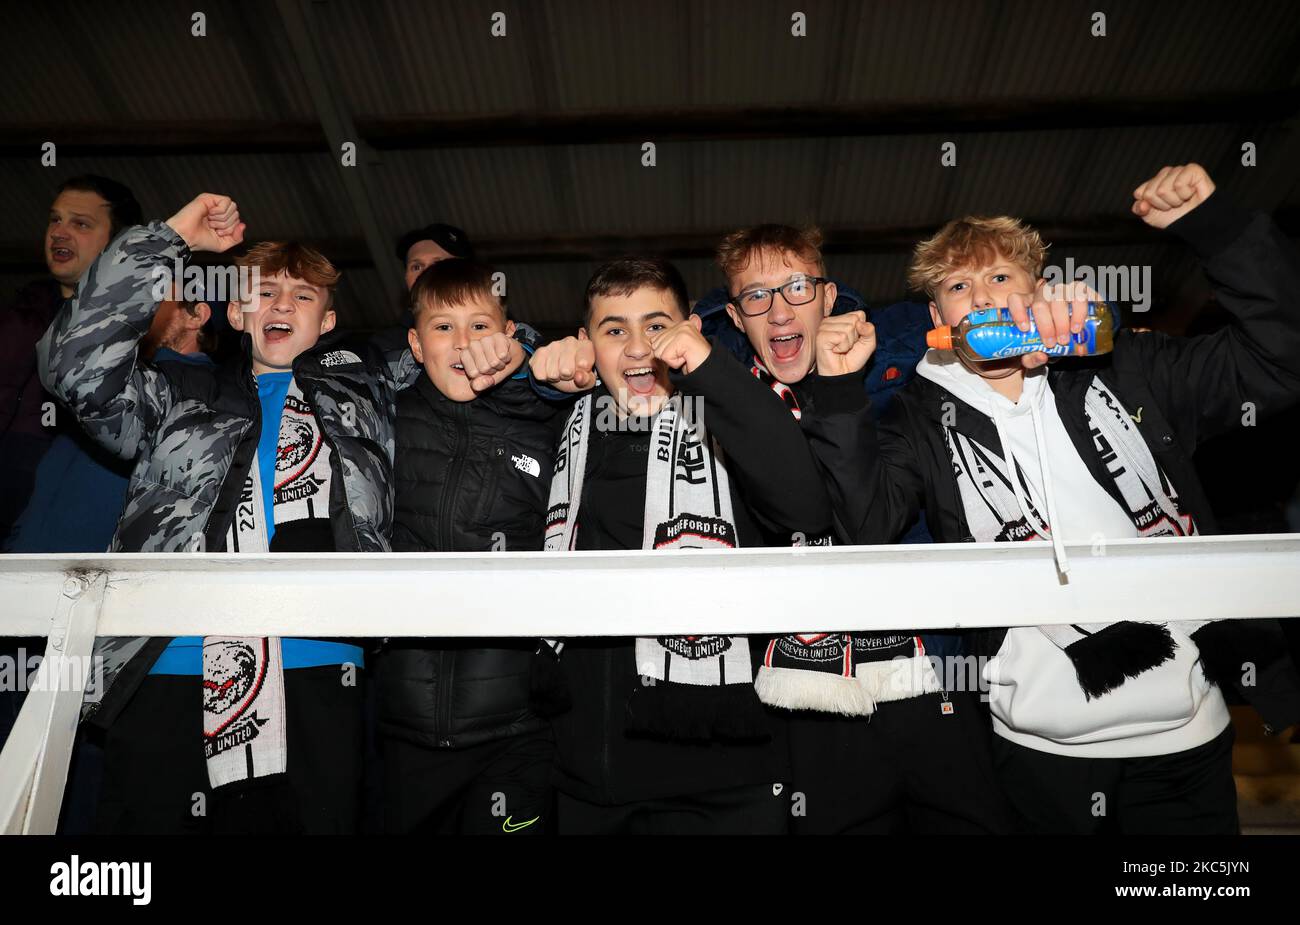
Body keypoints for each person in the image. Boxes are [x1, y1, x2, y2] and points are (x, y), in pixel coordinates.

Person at [801, 162, 1300, 834]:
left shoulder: (1132, 368)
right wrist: (836, 392)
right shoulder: (913, 419)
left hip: (1186, 745)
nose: (980, 296)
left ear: (1039, 289)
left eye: (1000, 277)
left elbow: (1278, 358)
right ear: (935, 315)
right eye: (958, 285)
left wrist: (1211, 225)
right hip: (1036, 757)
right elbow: (864, 524)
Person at [38, 192, 409, 834]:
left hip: (318, 661)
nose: (282, 305)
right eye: (265, 293)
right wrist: (167, 240)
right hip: (170, 661)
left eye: (302, 295)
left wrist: (543, 366)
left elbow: (466, 340)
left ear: (328, 321)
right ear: (237, 312)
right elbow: (73, 367)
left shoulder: (370, 389)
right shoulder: (180, 394)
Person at [704, 223, 1009, 834]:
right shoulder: (724, 398)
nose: (779, 309)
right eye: (756, 297)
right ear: (737, 319)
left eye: (796, 287)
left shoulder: (892, 359)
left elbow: (975, 312)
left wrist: (1068, 321)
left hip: (932, 675)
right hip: (807, 696)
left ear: (828, 296)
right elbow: (636, 340)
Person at [529, 256, 833, 834]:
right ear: (588, 344)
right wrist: (533, 379)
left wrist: (709, 370)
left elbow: (805, 509)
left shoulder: (729, 417)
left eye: (657, 325)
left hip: (724, 779)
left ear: (691, 330)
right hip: (591, 778)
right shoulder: (567, 428)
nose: (639, 348)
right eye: (614, 330)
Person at [376, 257, 562, 835]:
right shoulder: (378, 421)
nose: (463, 344)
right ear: (415, 342)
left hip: (518, 733)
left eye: (480, 326)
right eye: (442, 327)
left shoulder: (552, 423)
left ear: (510, 337)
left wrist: (544, 373)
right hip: (396, 730)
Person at [0, 174, 142, 544]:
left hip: (55, 539)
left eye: (80, 224)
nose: (59, 232)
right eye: (55, 220)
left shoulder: (134, 333)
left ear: (117, 244)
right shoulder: (20, 312)